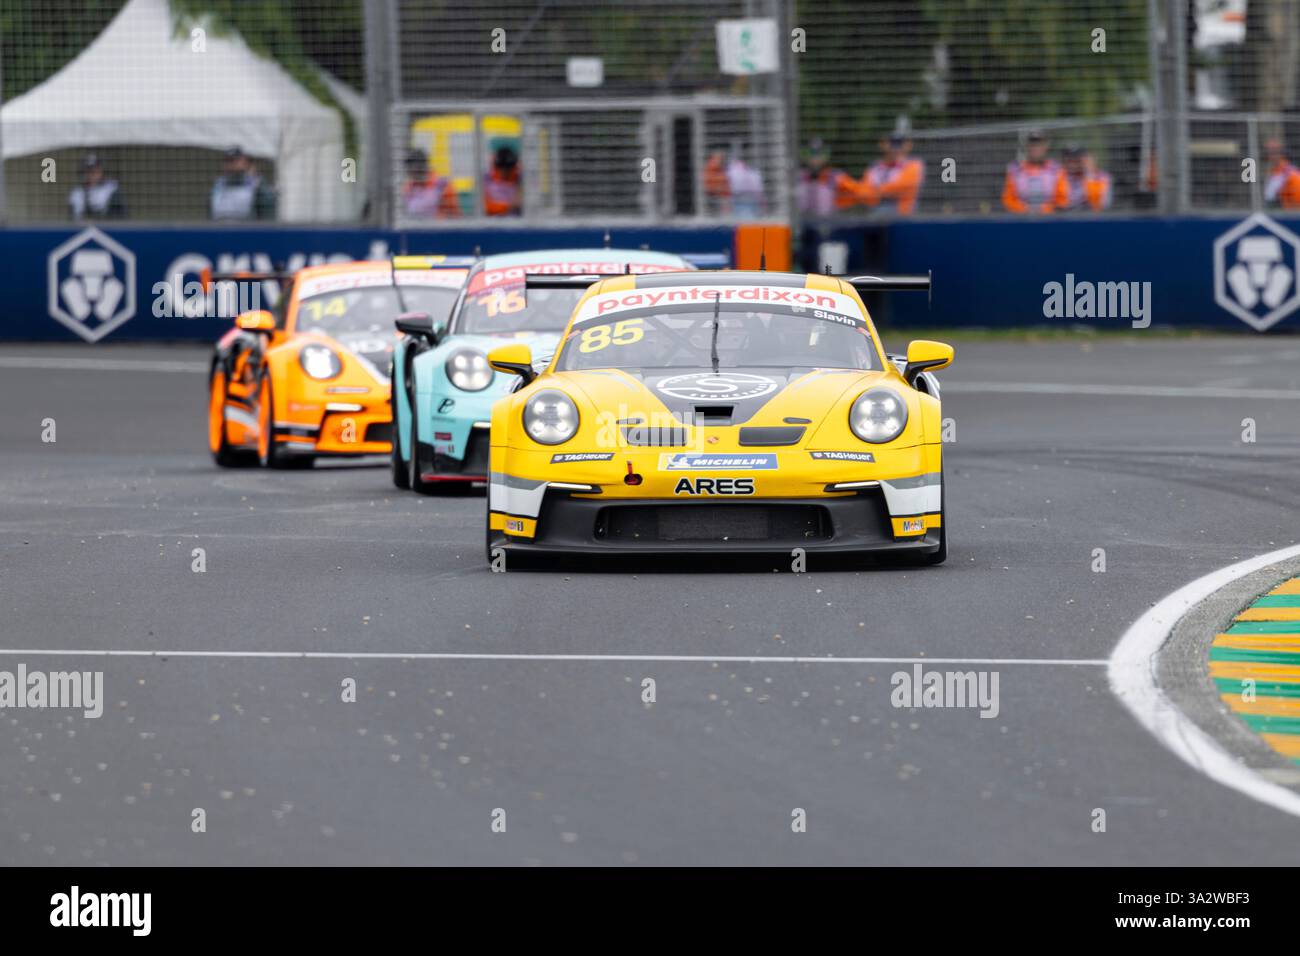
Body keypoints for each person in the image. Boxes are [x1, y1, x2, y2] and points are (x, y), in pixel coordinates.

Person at [860, 133, 924, 215]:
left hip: (902, 214)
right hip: (874, 213)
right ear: (883, 145)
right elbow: (863, 191)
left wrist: (875, 191)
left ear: (907, 146)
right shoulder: (875, 166)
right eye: (892, 143)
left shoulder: (913, 165)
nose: (896, 148)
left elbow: (903, 187)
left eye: (900, 143)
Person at [798, 138, 866, 216]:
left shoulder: (835, 176)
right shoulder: (796, 177)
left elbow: (860, 191)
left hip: (827, 223)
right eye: (811, 153)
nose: (815, 158)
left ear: (826, 156)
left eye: (820, 153)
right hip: (800, 223)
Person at [210, 146, 276, 221]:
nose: (231, 165)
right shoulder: (218, 185)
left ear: (244, 161)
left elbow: (267, 212)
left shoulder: (257, 184)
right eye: (228, 161)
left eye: (235, 160)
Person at [1002, 130, 1059, 214]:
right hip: (1021, 220)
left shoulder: (1056, 169)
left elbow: (1062, 198)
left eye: (1039, 144)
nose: (1035, 148)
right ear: (1026, 147)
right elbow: (1008, 199)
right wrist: (1023, 209)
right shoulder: (1015, 170)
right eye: (1032, 144)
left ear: (1046, 146)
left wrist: (1045, 209)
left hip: (1050, 220)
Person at [401, 148, 460, 218]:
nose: (410, 172)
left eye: (416, 167)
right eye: (409, 168)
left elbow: (454, 216)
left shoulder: (442, 185)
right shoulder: (408, 188)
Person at [68, 153, 127, 221]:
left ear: (101, 171)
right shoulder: (77, 193)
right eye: (88, 171)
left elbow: (121, 215)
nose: (92, 174)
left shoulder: (111, 188)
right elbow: (72, 219)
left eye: (95, 170)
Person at [1055, 144, 1112, 211]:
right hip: (1063, 216)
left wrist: (1089, 175)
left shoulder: (1101, 177)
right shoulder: (1057, 175)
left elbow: (1104, 204)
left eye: (1076, 158)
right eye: (1068, 157)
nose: (1072, 161)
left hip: (1093, 217)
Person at [484, 145, 522, 216]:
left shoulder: (519, 179)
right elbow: (485, 207)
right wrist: (509, 206)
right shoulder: (487, 179)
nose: (504, 172)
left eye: (508, 169)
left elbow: (522, 202)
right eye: (501, 169)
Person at [1264, 137, 1300, 210]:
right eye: (1269, 152)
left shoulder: (1290, 173)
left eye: (1273, 152)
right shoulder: (1274, 172)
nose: (1270, 156)